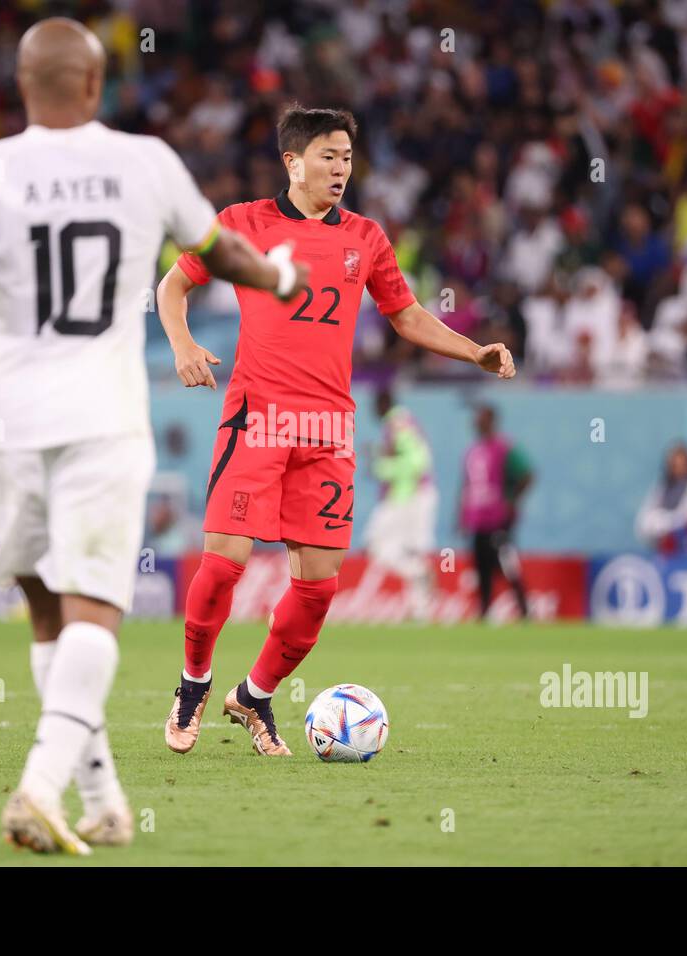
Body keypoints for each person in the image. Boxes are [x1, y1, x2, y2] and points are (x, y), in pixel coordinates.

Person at [0, 18, 307, 854]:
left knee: (44, 614)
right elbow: (221, 254)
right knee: (93, 610)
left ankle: (102, 800)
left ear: (22, 86)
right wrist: (281, 274)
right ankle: (38, 786)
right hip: (102, 421)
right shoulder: (146, 163)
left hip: (7, 425)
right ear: (97, 86)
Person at [158, 105, 515, 756]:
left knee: (319, 587)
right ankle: (194, 682)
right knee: (224, 562)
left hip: (328, 428)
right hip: (258, 417)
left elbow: (406, 316)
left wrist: (475, 352)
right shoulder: (242, 224)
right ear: (293, 162)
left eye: (347, 157)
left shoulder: (367, 238)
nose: (341, 168)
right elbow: (172, 287)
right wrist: (182, 345)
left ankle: (255, 695)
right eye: (328, 155)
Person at [364, 388, 438, 620]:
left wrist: (380, 467)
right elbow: (406, 454)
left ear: (383, 402)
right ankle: (420, 608)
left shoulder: (397, 421)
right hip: (411, 494)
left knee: (376, 544)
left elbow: (416, 460)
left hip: (408, 496)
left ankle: (420, 599)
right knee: (410, 551)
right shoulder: (402, 422)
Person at [459, 404, 534, 621]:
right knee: (481, 568)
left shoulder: (505, 448)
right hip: (478, 520)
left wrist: (510, 502)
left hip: (499, 521)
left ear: (491, 420)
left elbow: (527, 475)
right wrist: (463, 517)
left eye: (480, 417)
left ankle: (524, 610)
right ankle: (484, 612)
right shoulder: (472, 451)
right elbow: (466, 486)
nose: (475, 422)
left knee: (507, 565)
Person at [635, 441, 687, 550]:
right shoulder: (662, 485)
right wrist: (656, 524)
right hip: (661, 546)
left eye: (682, 464)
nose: (678, 468)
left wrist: (664, 523)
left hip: (685, 546)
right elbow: (644, 519)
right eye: (675, 465)